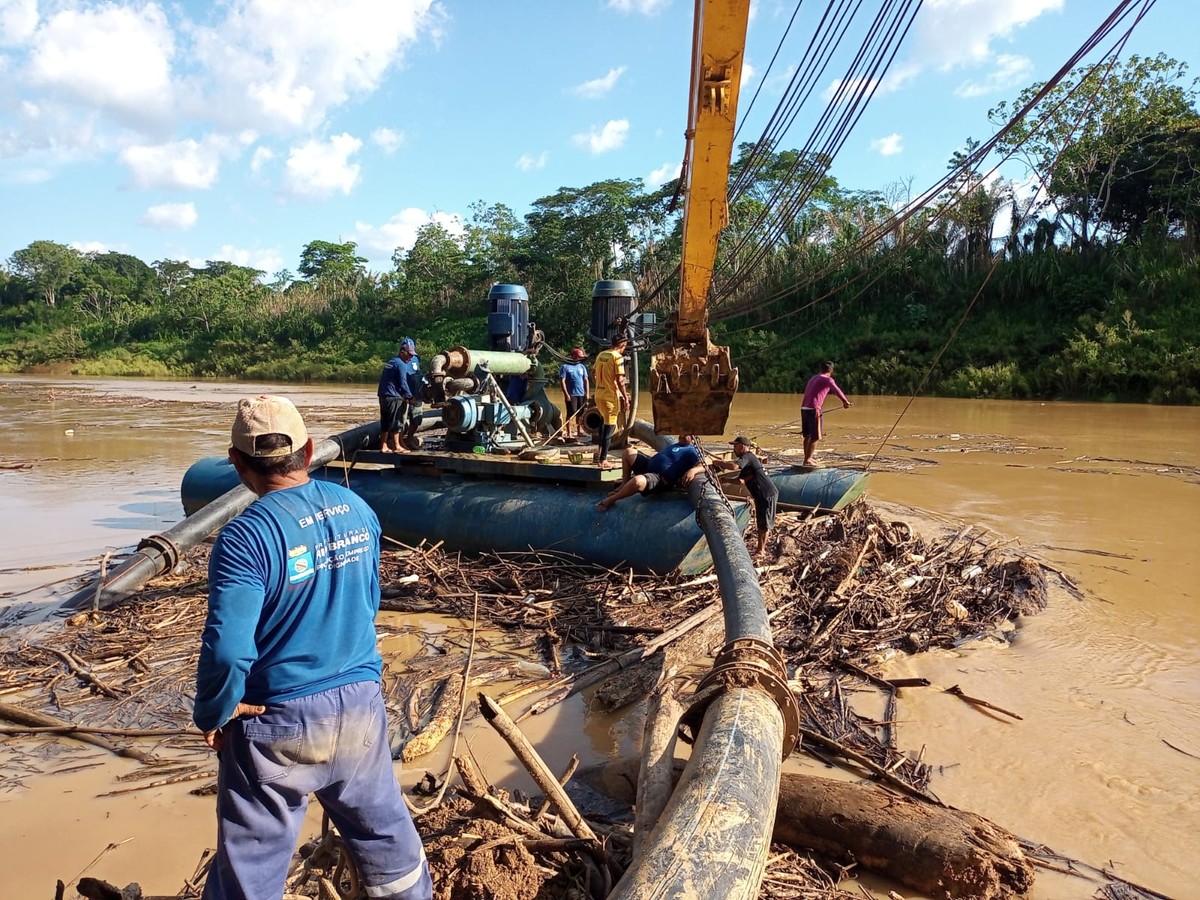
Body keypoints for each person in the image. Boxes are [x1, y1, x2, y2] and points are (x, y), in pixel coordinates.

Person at [194, 395, 431, 900]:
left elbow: (227, 650)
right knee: (388, 845)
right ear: (306, 450)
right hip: (361, 705)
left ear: (236, 463)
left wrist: (215, 710)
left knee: (250, 871)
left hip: (277, 719)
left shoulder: (245, 537)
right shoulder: (357, 509)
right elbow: (367, 604)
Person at [709, 435, 779, 557]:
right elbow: (741, 481)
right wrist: (726, 480)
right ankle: (760, 549)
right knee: (760, 521)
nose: (733, 450)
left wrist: (718, 462)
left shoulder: (747, 456)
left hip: (766, 493)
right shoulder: (748, 461)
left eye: (735, 446)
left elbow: (734, 466)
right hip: (760, 495)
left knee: (764, 523)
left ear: (742, 447)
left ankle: (761, 551)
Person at [595, 433, 703, 511]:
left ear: (693, 437)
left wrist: (693, 470)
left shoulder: (692, 450)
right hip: (648, 465)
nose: (683, 434)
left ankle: (612, 499)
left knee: (637, 481)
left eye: (687, 433)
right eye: (682, 431)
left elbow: (703, 465)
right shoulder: (675, 444)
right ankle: (624, 483)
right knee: (628, 452)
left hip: (659, 478)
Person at [801, 361, 851, 467]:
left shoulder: (814, 377)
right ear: (831, 371)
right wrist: (845, 402)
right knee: (816, 436)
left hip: (804, 408)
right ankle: (808, 460)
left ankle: (806, 459)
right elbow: (836, 390)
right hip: (814, 409)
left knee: (808, 436)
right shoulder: (827, 379)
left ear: (821, 369)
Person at [592, 333, 630, 468]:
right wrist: (625, 397)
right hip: (609, 397)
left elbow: (593, 373)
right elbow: (620, 380)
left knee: (603, 424)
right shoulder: (617, 357)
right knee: (610, 427)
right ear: (622, 345)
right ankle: (603, 460)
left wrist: (600, 384)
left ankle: (598, 453)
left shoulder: (601, 355)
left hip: (598, 394)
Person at [377, 341, 421, 453]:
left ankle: (384, 446)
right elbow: (403, 382)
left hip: (383, 395)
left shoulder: (391, 361)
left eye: (412, 355)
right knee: (395, 422)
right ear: (402, 352)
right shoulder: (401, 364)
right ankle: (397, 446)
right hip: (394, 396)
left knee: (385, 421)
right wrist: (410, 397)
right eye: (409, 354)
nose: (411, 357)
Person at [559, 348, 590, 443]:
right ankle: (569, 432)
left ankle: (579, 431)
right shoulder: (565, 367)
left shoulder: (582, 367)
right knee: (570, 413)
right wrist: (566, 394)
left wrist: (587, 393)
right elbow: (562, 381)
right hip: (571, 394)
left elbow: (586, 380)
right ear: (574, 357)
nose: (580, 359)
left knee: (580, 414)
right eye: (579, 357)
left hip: (581, 394)